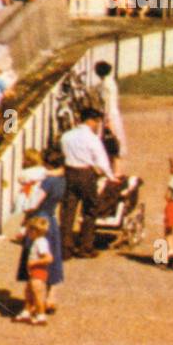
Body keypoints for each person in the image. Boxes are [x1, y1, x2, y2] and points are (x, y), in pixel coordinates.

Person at [59, 107, 117, 259]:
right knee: (90, 210)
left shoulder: (66, 136)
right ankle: (86, 247)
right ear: (91, 121)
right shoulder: (92, 139)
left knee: (68, 211)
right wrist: (111, 176)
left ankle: (65, 248)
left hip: (70, 172)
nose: (98, 125)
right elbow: (102, 161)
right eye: (97, 122)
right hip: (86, 174)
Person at [16, 216, 54, 325]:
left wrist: (33, 263)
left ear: (35, 231)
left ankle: (41, 315)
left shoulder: (41, 242)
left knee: (37, 293)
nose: (28, 233)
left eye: (29, 231)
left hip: (38, 271)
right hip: (33, 271)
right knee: (28, 291)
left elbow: (48, 258)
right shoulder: (37, 241)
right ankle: (27, 312)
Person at [91, 60, 126, 168]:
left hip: (109, 116)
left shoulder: (105, 85)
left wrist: (107, 120)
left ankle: (113, 168)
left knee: (112, 142)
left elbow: (107, 104)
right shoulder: (109, 82)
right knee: (113, 142)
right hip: (112, 114)